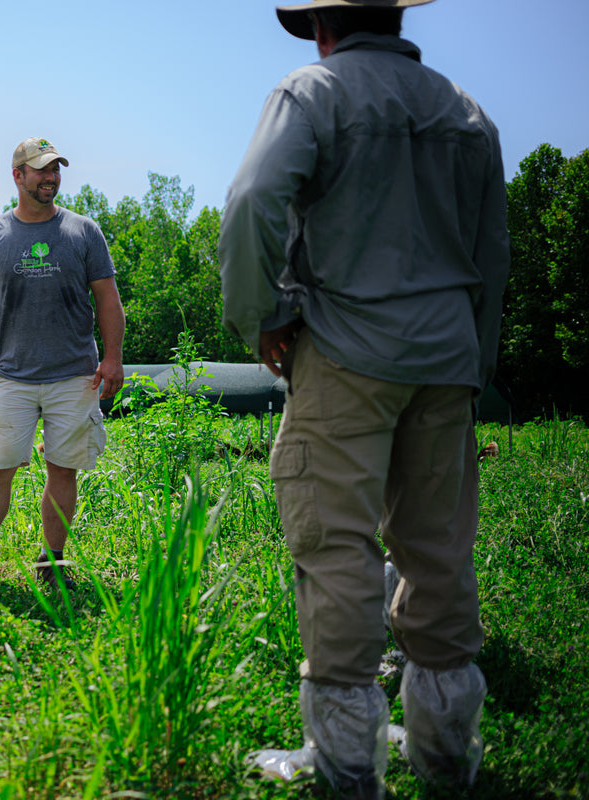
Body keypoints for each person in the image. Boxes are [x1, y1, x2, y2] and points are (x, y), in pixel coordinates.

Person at [218, 1, 509, 796]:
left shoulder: (310, 91)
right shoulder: (465, 110)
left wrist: (264, 320)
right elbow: (492, 249)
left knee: (339, 548)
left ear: (321, 24)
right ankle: (449, 756)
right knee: (439, 551)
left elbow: (251, 205)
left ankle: (346, 769)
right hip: (448, 356)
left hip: (346, 348)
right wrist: (472, 363)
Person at [0, 137, 125, 591]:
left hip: (75, 374)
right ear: (18, 175)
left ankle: (53, 563)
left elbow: (107, 298)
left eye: (55, 170)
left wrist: (112, 358)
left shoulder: (83, 231)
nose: (50, 177)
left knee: (63, 468)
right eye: (41, 170)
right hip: (12, 374)